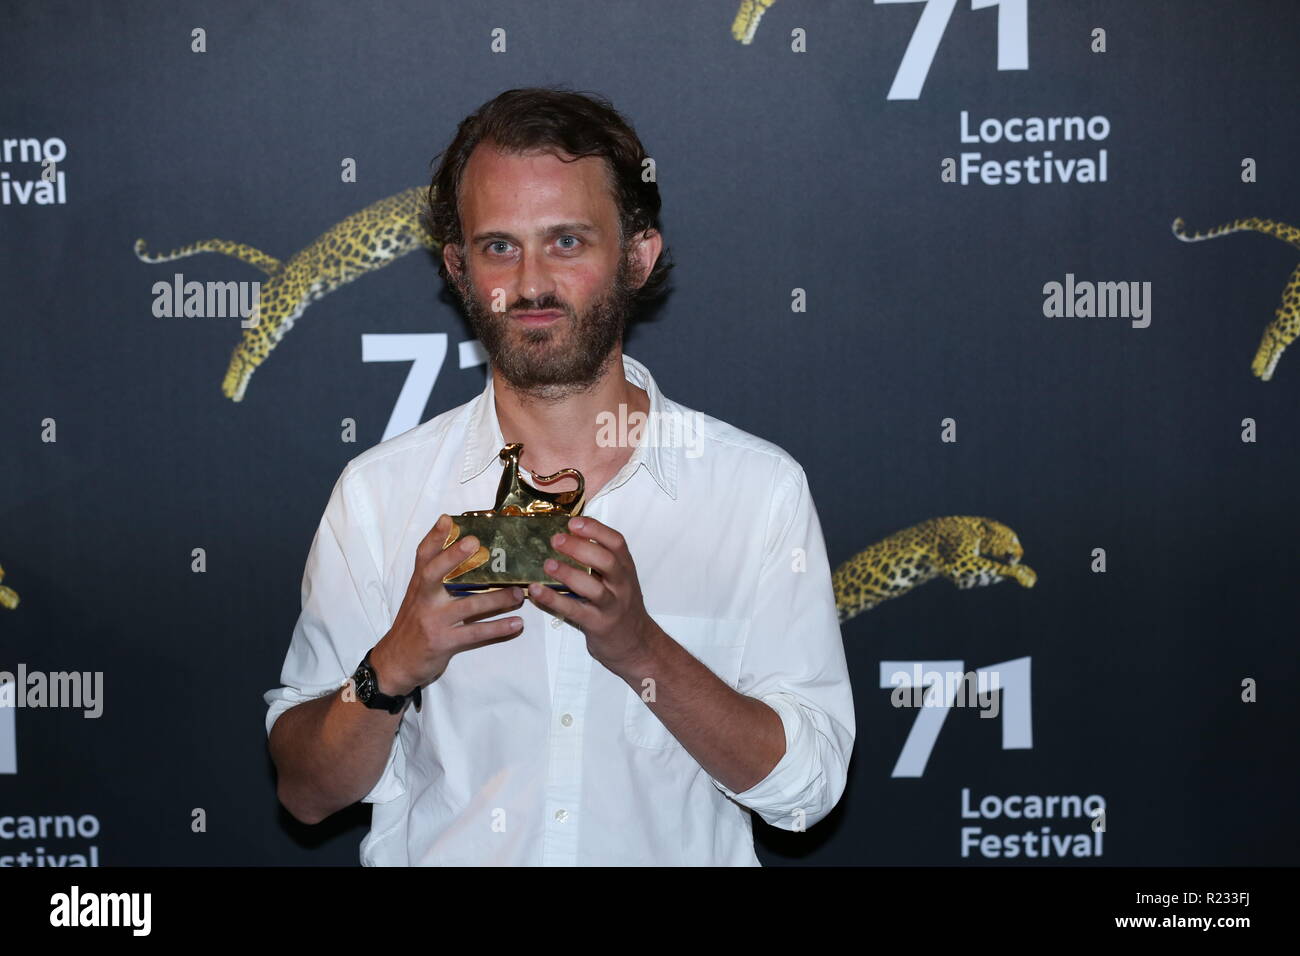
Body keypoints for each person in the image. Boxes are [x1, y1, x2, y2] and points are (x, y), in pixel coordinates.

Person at [264, 87, 855, 865]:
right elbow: (307, 795)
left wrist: (643, 651)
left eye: (568, 241)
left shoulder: (754, 492)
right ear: (459, 267)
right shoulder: (381, 496)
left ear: (638, 255)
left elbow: (808, 792)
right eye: (498, 246)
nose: (531, 282)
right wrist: (393, 665)